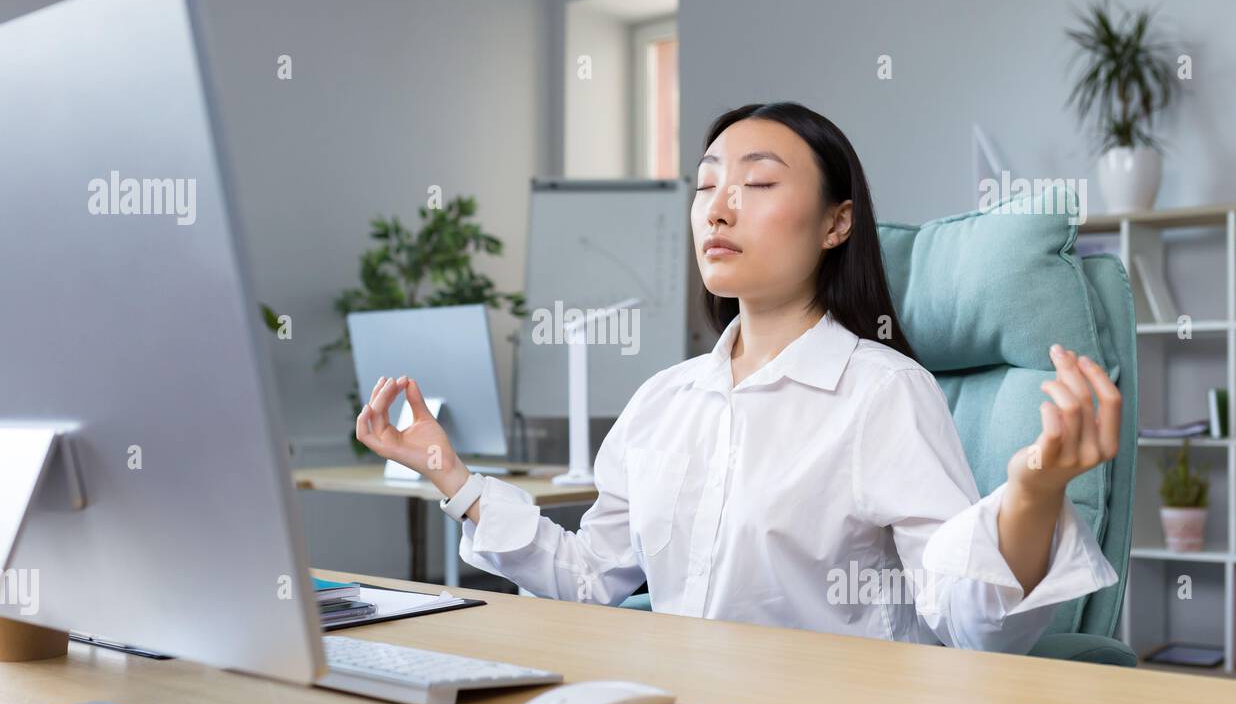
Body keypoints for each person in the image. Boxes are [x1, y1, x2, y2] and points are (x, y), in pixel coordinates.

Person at [354, 101, 1121, 654]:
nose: (718, 208)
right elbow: (589, 579)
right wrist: (448, 473)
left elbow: (968, 625)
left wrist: (1032, 494)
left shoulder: (881, 392)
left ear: (836, 223)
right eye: (705, 184)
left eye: (756, 185)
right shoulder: (665, 400)